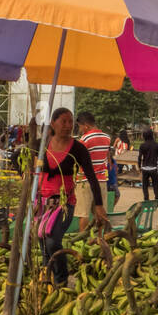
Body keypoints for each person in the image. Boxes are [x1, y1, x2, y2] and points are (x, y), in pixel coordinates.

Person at [36, 108, 107, 283]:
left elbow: (92, 177)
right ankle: (47, 276)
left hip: (65, 202)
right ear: (53, 123)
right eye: (63, 122)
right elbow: (19, 156)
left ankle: (61, 279)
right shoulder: (41, 145)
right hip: (42, 201)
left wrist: (98, 205)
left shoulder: (78, 148)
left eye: (70, 122)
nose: (68, 126)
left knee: (53, 240)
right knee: (42, 240)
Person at [75, 112, 113, 230]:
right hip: (101, 181)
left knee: (83, 214)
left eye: (80, 127)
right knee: (100, 213)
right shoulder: (107, 138)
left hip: (85, 180)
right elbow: (108, 158)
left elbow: (78, 159)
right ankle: (99, 239)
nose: (80, 130)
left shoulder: (85, 139)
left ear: (85, 125)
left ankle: (82, 240)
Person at [138, 129, 158, 201]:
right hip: (153, 168)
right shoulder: (157, 145)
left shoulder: (142, 145)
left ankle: (146, 199)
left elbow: (140, 157)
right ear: (152, 135)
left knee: (145, 185)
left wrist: (139, 166)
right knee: (155, 184)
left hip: (145, 168)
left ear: (144, 136)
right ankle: (157, 199)